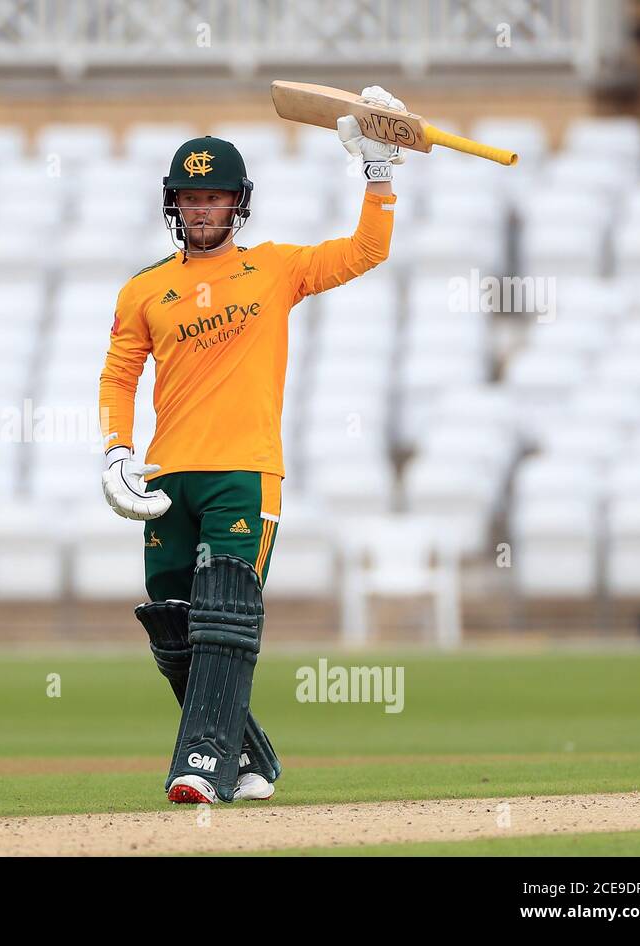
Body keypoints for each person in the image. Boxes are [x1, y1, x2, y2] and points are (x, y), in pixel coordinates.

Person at [98, 86, 403, 804]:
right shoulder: (144, 289)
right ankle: (251, 758)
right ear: (174, 205)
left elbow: (366, 250)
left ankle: (201, 767)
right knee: (172, 623)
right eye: (191, 197)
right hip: (170, 474)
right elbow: (118, 376)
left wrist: (379, 174)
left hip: (245, 470)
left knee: (223, 614)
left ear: (238, 203)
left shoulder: (275, 269)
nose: (203, 209)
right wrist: (116, 451)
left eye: (216, 197)